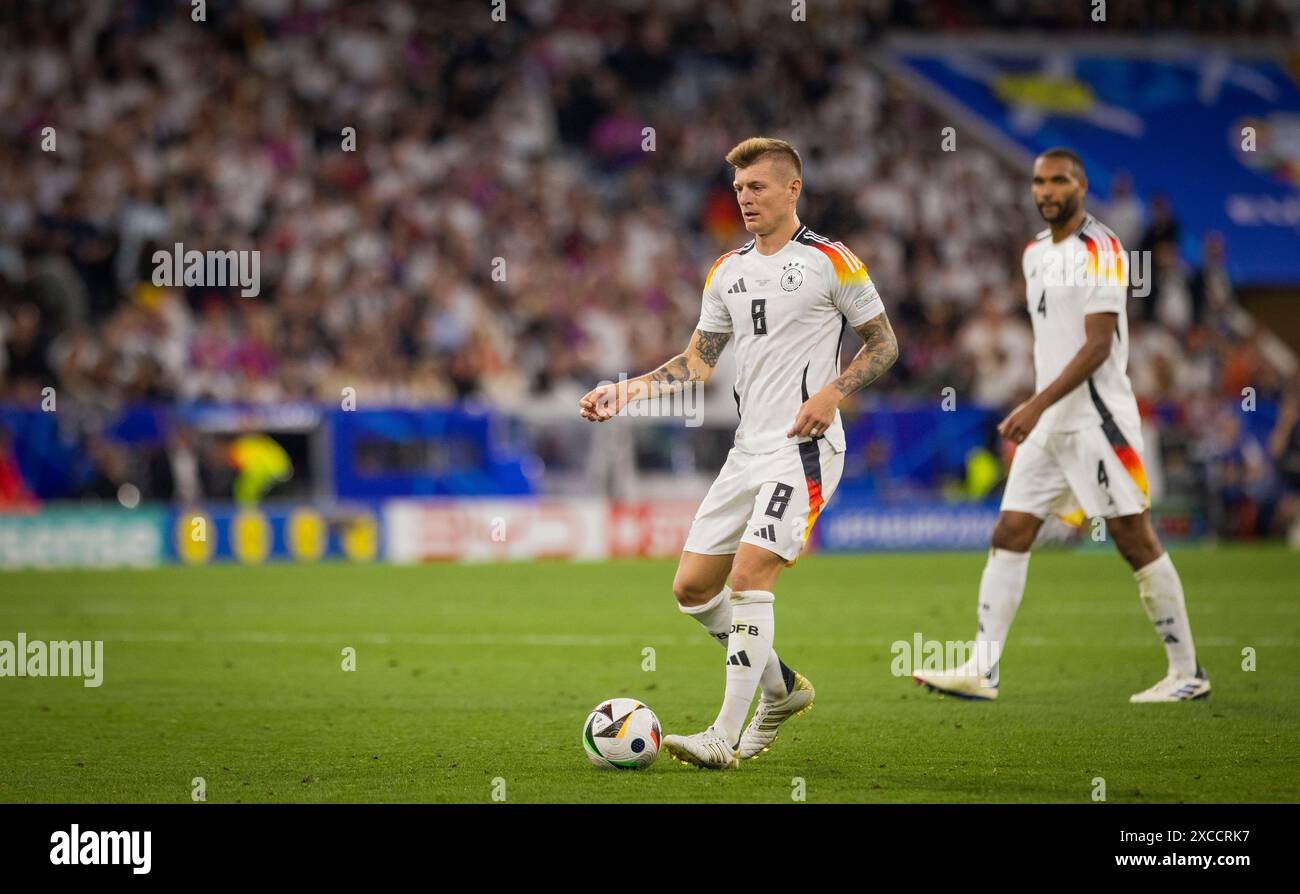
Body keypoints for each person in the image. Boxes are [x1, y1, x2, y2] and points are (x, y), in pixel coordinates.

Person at [579, 137, 898, 767]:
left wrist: (833, 392)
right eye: (738, 190)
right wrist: (629, 390)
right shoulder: (726, 270)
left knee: (750, 577)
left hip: (804, 447)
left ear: (791, 190)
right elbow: (697, 363)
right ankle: (780, 689)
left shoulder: (832, 261)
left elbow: (884, 344)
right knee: (693, 588)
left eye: (756, 187)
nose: (744, 199)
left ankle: (723, 734)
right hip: (747, 448)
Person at [913, 147, 1209, 704]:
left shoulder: (1102, 247)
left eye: (1058, 181)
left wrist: (1033, 403)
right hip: (1051, 420)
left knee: (1132, 537)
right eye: (1038, 182)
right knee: (1009, 532)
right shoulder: (1033, 254)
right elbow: (1057, 342)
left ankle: (1187, 671)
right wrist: (1040, 405)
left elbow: (1097, 346)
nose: (1046, 191)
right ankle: (984, 669)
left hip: (1095, 417)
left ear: (1080, 184)